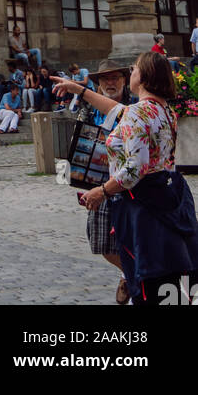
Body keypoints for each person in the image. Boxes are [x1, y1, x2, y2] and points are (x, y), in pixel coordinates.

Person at [55, 52, 198, 306]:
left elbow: (134, 168)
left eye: (134, 70)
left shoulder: (138, 114)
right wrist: (80, 90)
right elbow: (119, 111)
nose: (131, 73)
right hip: (169, 195)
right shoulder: (164, 111)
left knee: (148, 273)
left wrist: (101, 191)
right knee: (171, 274)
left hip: (143, 205)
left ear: (143, 77)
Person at [53, 60, 133, 303]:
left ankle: (136, 278)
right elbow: (77, 144)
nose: (110, 82)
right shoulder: (88, 110)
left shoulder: (132, 107)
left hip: (127, 182)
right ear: (97, 84)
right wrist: (69, 177)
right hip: (98, 183)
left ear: (124, 80)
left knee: (133, 238)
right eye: (105, 79)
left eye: (115, 78)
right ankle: (129, 273)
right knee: (100, 241)